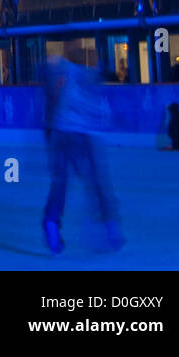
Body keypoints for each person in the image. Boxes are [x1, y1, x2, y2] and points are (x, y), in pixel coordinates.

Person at [41, 50, 122, 254]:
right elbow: (95, 107)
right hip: (79, 135)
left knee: (61, 182)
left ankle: (51, 222)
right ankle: (109, 225)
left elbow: (51, 101)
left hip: (62, 133)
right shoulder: (84, 75)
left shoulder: (63, 72)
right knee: (95, 180)